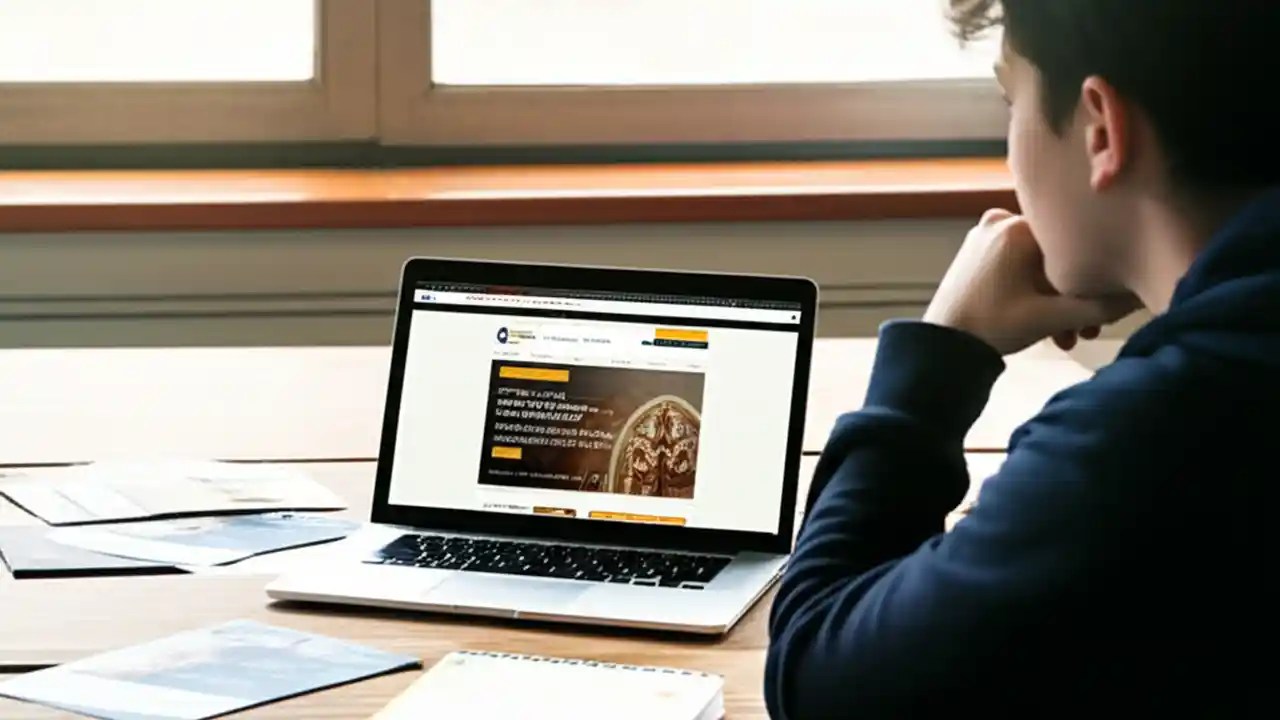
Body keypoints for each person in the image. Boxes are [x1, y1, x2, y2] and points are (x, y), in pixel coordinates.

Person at [764, 1, 1279, 717]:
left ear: (1101, 128)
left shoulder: (1159, 434)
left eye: (1012, 101)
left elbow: (820, 677)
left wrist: (939, 359)